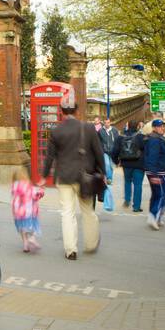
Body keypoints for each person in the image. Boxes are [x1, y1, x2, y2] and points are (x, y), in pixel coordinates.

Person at [42, 89, 103, 260]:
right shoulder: (89, 128)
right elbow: (99, 153)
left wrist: (43, 176)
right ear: (76, 110)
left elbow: (49, 157)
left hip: (64, 177)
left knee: (67, 213)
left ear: (61, 111)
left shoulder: (56, 131)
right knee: (88, 211)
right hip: (85, 177)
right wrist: (104, 173)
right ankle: (90, 244)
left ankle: (71, 250)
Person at [144, 119, 165, 230]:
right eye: (160, 126)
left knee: (157, 194)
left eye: (163, 126)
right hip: (159, 172)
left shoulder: (154, 138)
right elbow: (152, 157)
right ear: (154, 128)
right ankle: (154, 216)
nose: (162, 128)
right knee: (164, 194)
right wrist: (154, 175)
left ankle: (154, 216)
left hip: (157, 171)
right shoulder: (155, 140)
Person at [10, 164, 44, 253]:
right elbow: (36, 195)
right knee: (31, 226)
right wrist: (41, 189)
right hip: (29, 212)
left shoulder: (13, 187)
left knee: (22, 228)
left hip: (17, 213)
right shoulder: (29, 186)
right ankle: (32, 238)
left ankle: (25, 244)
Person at [117, 120, 146, 212]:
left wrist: (117, 161)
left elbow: (114, 150)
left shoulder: (121, 137)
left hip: (126, 163)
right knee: (138, 185)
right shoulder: (141, 137)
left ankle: (127, 199)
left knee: (127, 181)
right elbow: (146, 150)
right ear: (138, 126)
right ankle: (136, 206)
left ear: (127, 126)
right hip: (138, 164)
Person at [94, 118, 118, 213]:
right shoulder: (100, 131)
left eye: (108, 122)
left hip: (113, 151)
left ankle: (110, 178)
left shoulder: (114, 130)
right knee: (107, 165)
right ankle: (108, 178)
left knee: (111, 166)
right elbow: (99, 141)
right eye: (105, 122)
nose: (107, 124)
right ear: (103, 123)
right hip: (104, 151)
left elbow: (117, 141)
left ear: (110, 122)